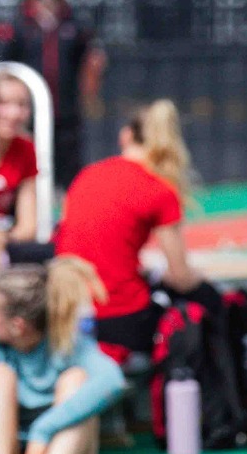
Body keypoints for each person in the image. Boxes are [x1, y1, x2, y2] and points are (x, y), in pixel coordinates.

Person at [53, 100, 203, 361]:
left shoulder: (88, 174)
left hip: (66, 310)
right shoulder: (160, 190)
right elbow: (181, 277)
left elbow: (70, 242)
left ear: (126, 135)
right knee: (202, 305)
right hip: (119, 317)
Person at [0, 258, 122, 454]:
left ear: (18, 325)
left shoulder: (67, 344)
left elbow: (113, 380)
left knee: (77, 380)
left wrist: (42, 431)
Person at [0, 0, 105, 189]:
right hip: (29, 113)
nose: (48, 2)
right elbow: (4, 67)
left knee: (70, 169)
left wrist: (89, 92)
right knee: (30, 165)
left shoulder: (74, 27)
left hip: (66, 112)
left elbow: (89, 62)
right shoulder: (19, 27)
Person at [0, 71, 45, 268]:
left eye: (22, 105)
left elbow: (28, 226)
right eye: (5, 103)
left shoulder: (26, 149)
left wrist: (1, 237)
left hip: (4, 238)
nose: (14, 113)